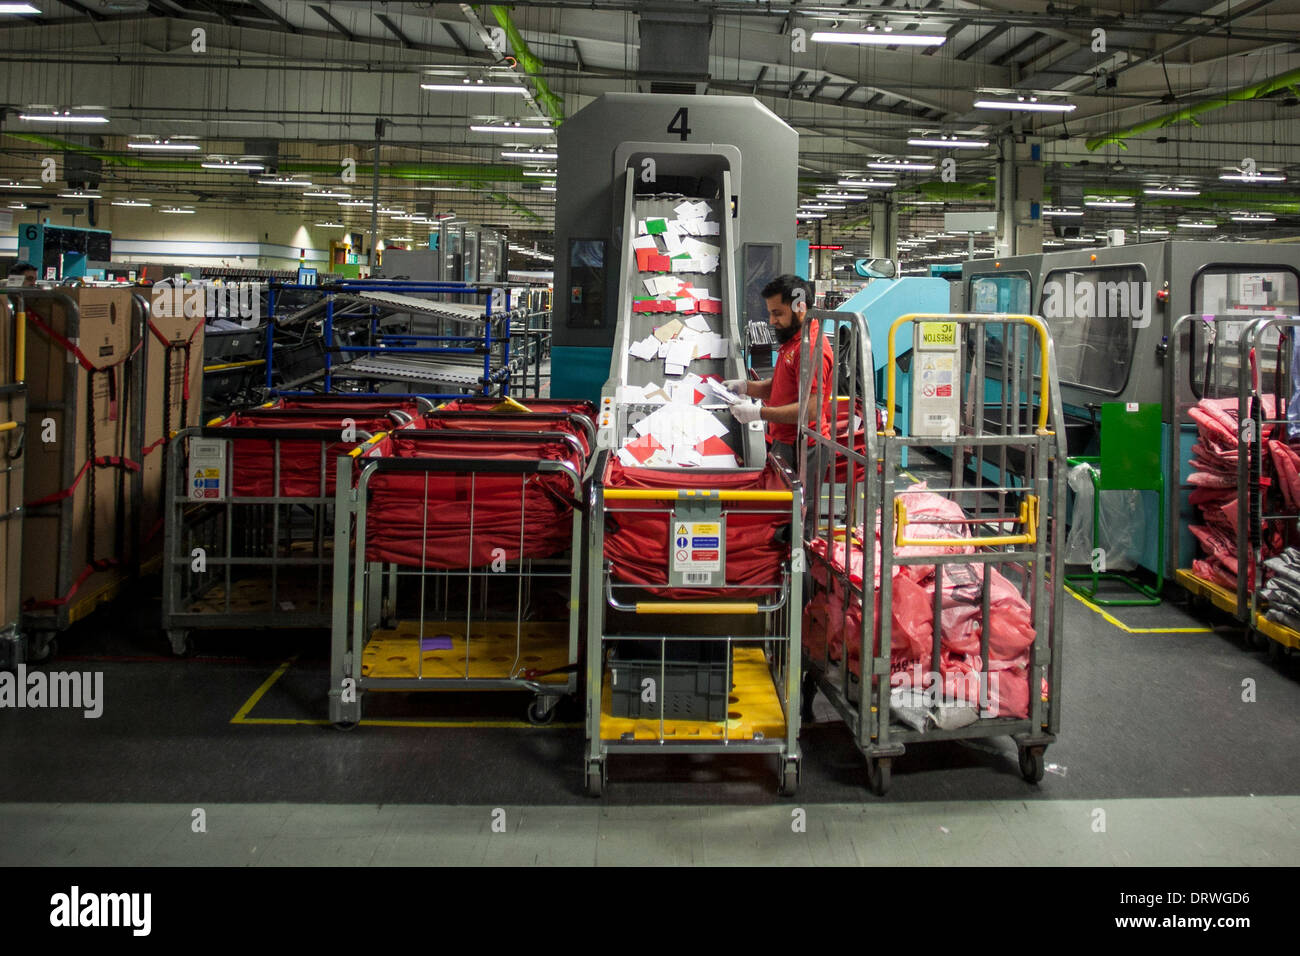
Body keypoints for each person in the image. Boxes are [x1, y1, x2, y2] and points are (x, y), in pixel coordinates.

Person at [724, 274, 834, 524]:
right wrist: (745, 387)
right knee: (782, 512)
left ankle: (801, 561)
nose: (772, 321)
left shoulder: (811, 347)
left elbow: (812, 410)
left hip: (804, 448)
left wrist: (759, 414)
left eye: (778, 313)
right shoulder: (794, 341)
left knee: (799, 520)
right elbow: (780, 386)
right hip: (785, 441)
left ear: (800, 309)